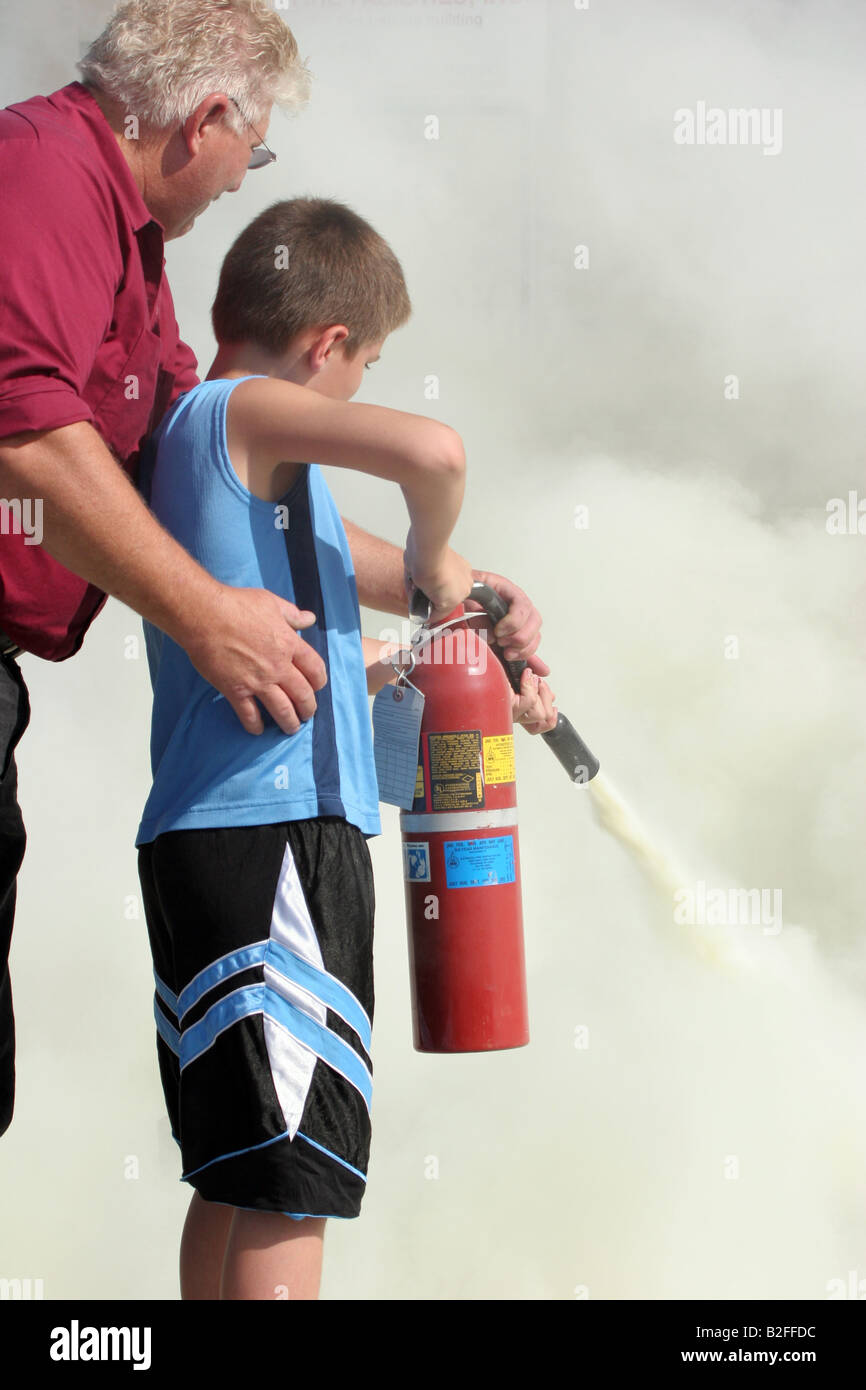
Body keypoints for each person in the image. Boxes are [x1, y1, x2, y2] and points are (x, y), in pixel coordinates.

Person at [0, 0, 550, 1138]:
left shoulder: (135, 260)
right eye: (250, 152)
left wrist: (449, 587)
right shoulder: (41, 172)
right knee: (279, 1175)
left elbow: (182, 499)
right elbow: (17, 430)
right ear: (203, 119)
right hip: (254, 834)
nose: (240, 182)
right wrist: (206, 613)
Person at [135, 197, 557, 1300]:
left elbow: (369, 593)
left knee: (237, 1168)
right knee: (298, 1181)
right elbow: (433, 450)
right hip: (275, 838)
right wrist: (436, 540)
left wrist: (466, 604)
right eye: (365, 361)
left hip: (207, 835)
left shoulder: (209, 446)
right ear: (327, 345)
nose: (360, 382)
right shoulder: (247, 413)